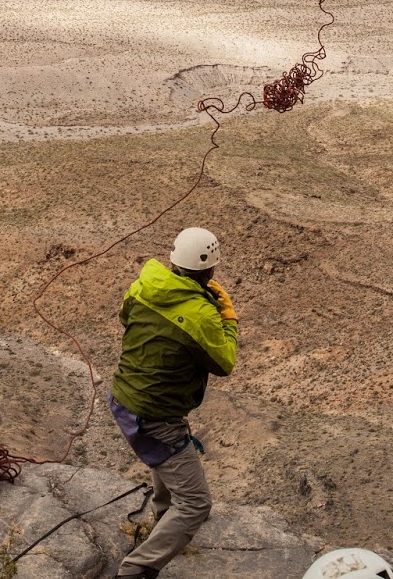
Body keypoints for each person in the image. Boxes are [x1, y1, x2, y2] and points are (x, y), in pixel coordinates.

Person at [108, 226, 240, 579]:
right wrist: (228, 319)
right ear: (210, 271)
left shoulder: (145, 284)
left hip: (125, 396)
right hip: (154, 415)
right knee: (197, 504)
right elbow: (225, 361)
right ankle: (136, 569)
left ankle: (164, 522)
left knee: (166, 457)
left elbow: (126, 318)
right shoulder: (200, 314)